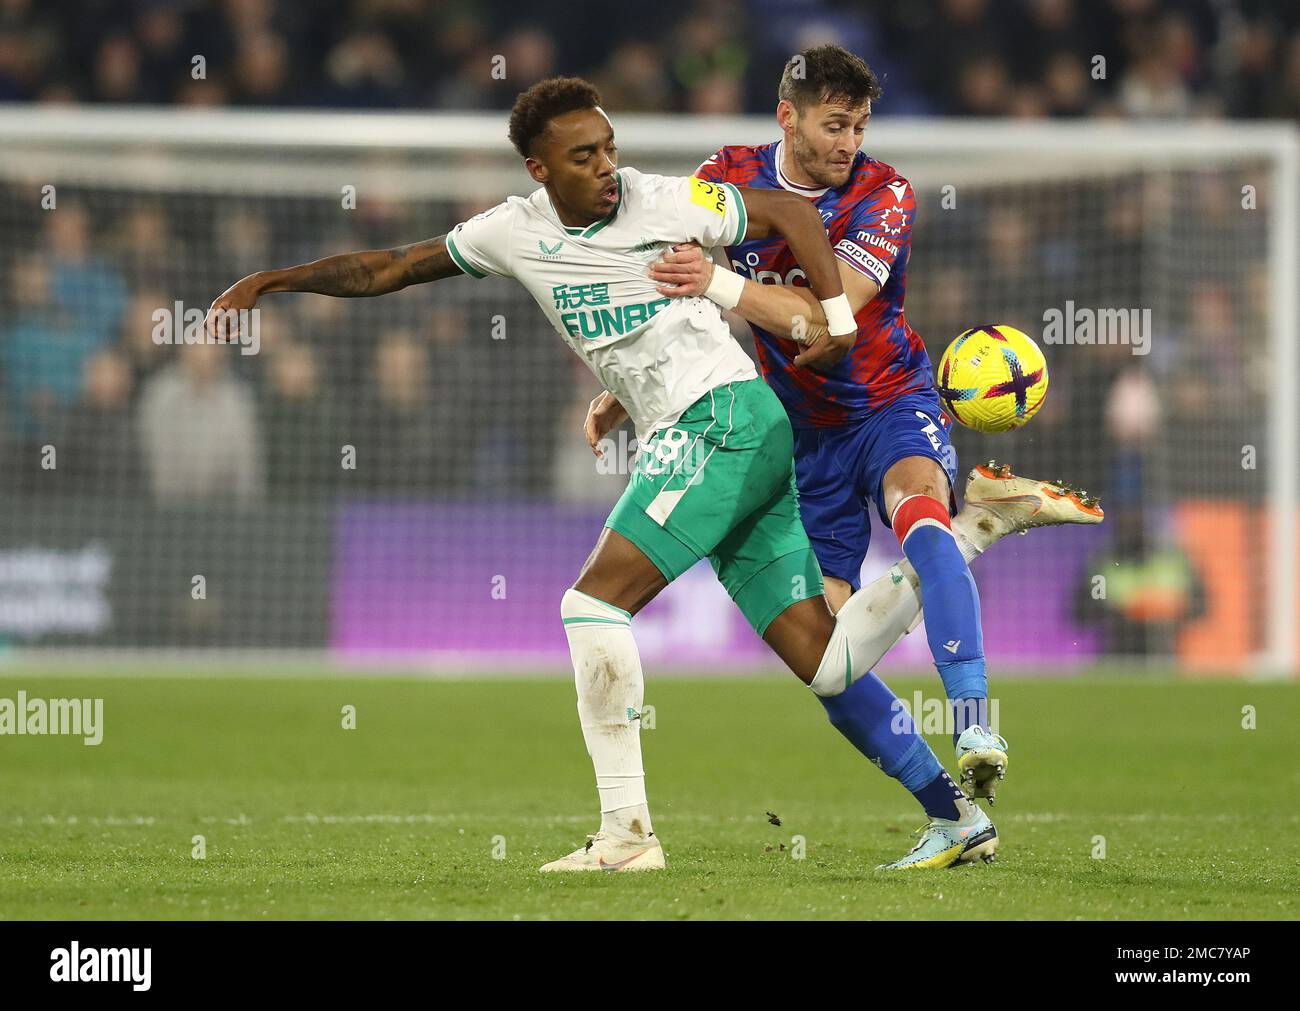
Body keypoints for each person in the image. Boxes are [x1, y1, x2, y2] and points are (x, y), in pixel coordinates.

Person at [208, 76, 1058, 873]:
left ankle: (625, 834)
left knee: (591, 603)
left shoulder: (661, 200)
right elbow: (389, 266)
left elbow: (791, 217)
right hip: (730, 431)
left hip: (721, 419)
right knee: (830, 663)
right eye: (584, 157)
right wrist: (273, 280)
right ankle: (961, 738)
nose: (607, 168)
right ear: (540, 170)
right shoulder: (512, 230)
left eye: (610, 147)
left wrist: (833, 317)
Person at [614, 45, 1102, 805]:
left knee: (921, 519)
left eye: (861, 125)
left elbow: (821, 316)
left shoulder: (887, 194)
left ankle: (974, 723)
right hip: (801, 436)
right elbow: (671, 276)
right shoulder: (724, 177)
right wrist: (629, 380)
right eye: (835, 124)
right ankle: (952, 814)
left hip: (889, 402)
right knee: (829, 661)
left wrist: (715, 279)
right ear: (788, 117)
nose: (850, 142)